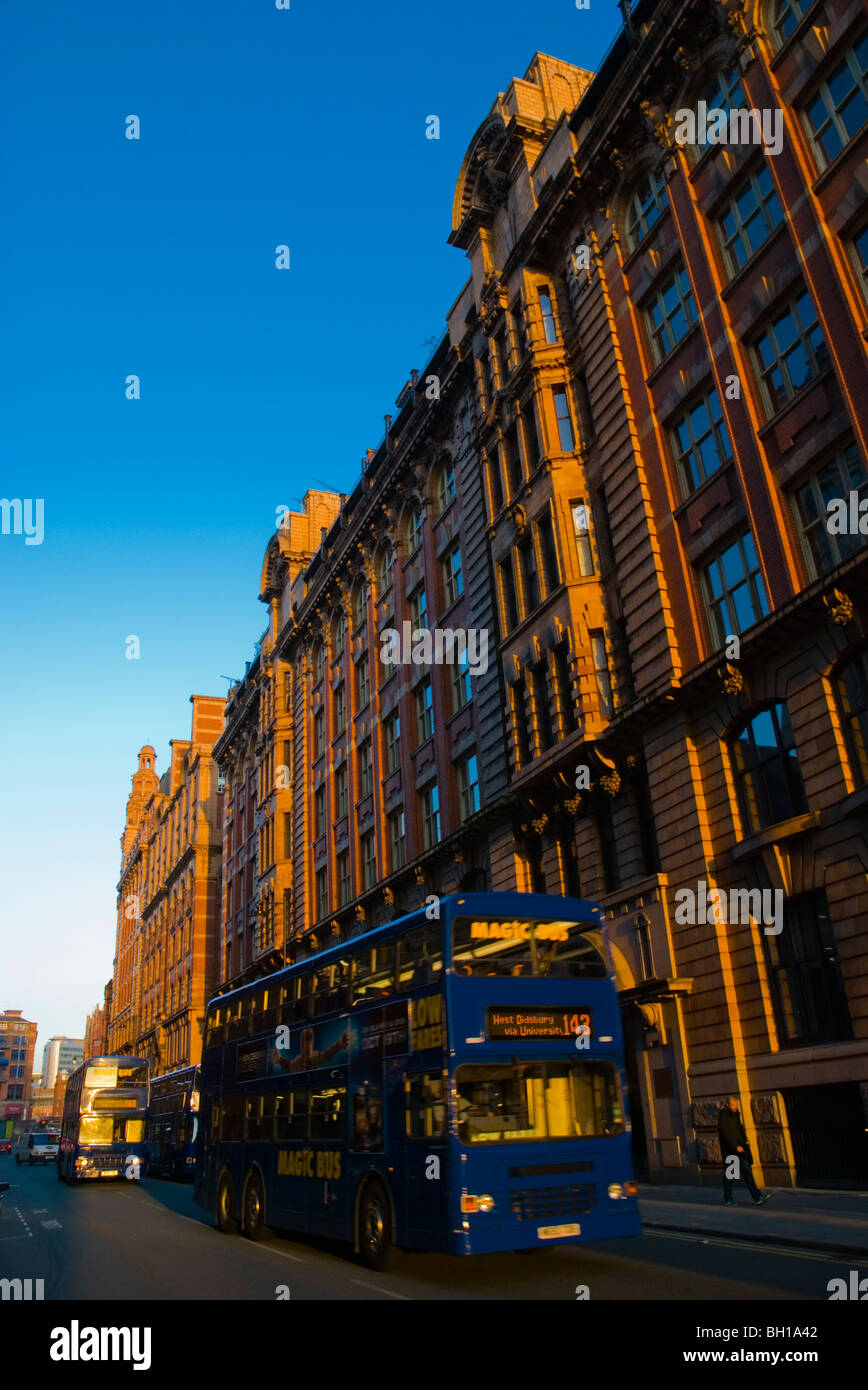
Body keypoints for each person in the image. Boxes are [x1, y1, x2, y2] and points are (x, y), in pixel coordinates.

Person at [718, 1096, 771, 1206]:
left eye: (736, 1105)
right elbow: (725, 1134)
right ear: (727, 1104)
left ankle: (758, 1197)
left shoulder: (736, 1115)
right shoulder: (723, 1116)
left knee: (748, 1174)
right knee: (730, 1176)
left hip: (741, 1150)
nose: (735, 1107)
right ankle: (728, 1199)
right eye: (733, 1105)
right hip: (731, 1151)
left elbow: (740, 1129)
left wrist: (745, 1140)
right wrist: (735, 1146)